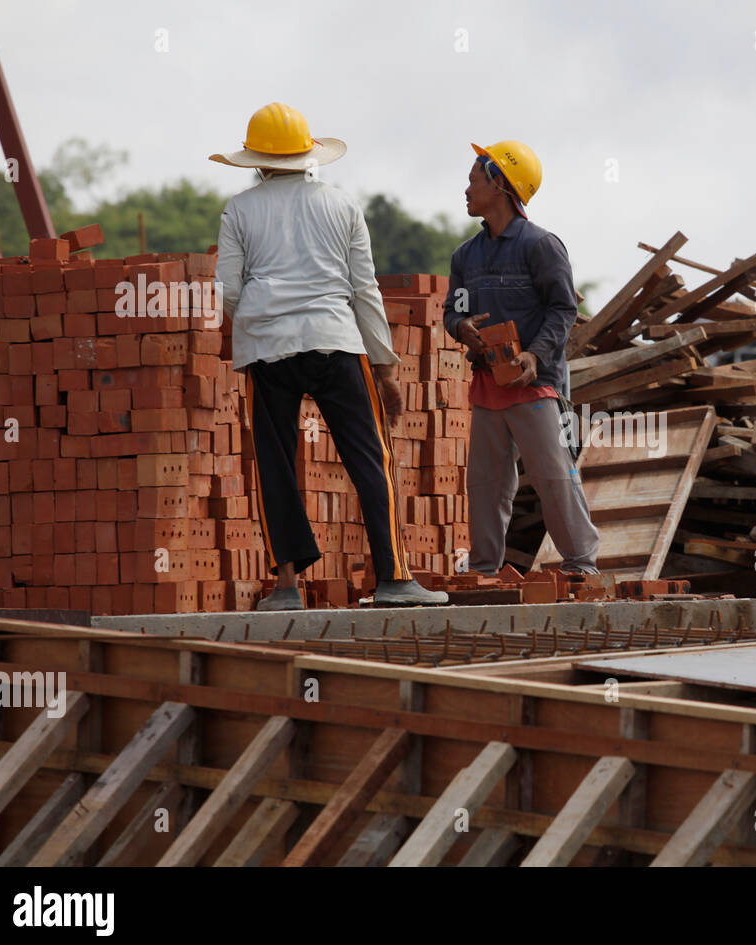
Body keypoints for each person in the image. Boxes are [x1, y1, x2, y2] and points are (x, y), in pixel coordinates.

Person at [211, 102, 447, 609]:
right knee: (370, 457)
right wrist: (384, 367)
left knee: (274, 463)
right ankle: (394, 578)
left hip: (268, 349)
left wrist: (255, 321)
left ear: (256, 161)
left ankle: (286, 587)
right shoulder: (342, 205)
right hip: (335, 340)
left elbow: (227, 290)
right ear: (307, 154)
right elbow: (365, 290)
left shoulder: (239, 209)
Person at [443, 140, 599, 575]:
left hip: (536, 386)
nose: (467, 189)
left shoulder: (541, 246)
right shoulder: (465, 256)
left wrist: (534, 354)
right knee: (486, 486)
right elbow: (452, 310)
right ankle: (484, 570)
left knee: (553, 477)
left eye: (474, 180)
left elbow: (563, 309)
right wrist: (461, 328)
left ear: (499, 183)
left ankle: (580, 565)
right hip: (488, 385)